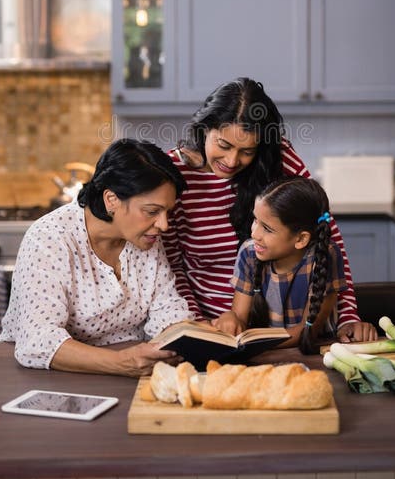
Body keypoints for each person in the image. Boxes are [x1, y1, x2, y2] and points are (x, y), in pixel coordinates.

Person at [162, 77, 377, 342]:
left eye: (247, 151)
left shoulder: (277, 158)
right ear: (205, 128)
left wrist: (347, 318)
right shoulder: (173, 174)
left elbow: (326, 238)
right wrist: (200, 324)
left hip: (285, 326)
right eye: (224, 145)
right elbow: (172, 265)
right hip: (216, 326)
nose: (232, 161)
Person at [0, 139, 194, 376]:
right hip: (46, 377)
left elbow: (168, 309)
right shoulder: (49, 238)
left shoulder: (144, 236)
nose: (164, 225)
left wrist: (191, 335)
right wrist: (120, 362)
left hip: (128, 376)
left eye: (167, 212)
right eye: (152, 211)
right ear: (111, 200)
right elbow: (36, 341)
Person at [213, 177, 347, 352]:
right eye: (255, 220)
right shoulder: (249, 253)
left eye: (267, 229)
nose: (255, 234)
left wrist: (253, 344)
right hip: (268, 355)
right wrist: (231, 319)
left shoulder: (325, 255)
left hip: (314, 354)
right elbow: (239, 318)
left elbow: (307, 331)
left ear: (300, 239)